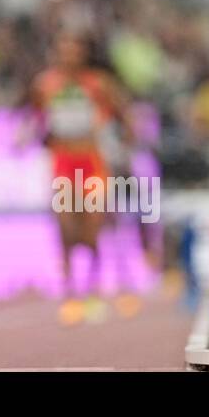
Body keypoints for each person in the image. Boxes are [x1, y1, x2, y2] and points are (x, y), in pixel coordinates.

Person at [21, 31, 137, 326]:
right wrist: (27, 136)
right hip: (63, 164)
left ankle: (94, 290)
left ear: (83, 54)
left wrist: (125, 138)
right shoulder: (45, 84)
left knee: (92, 229)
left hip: (92, 163)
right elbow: (33, 117)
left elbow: (123, 115)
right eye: (64, 50)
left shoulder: (99, 84)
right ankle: (71, 293)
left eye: (74, 50)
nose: (69, 56)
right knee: (65, 228)